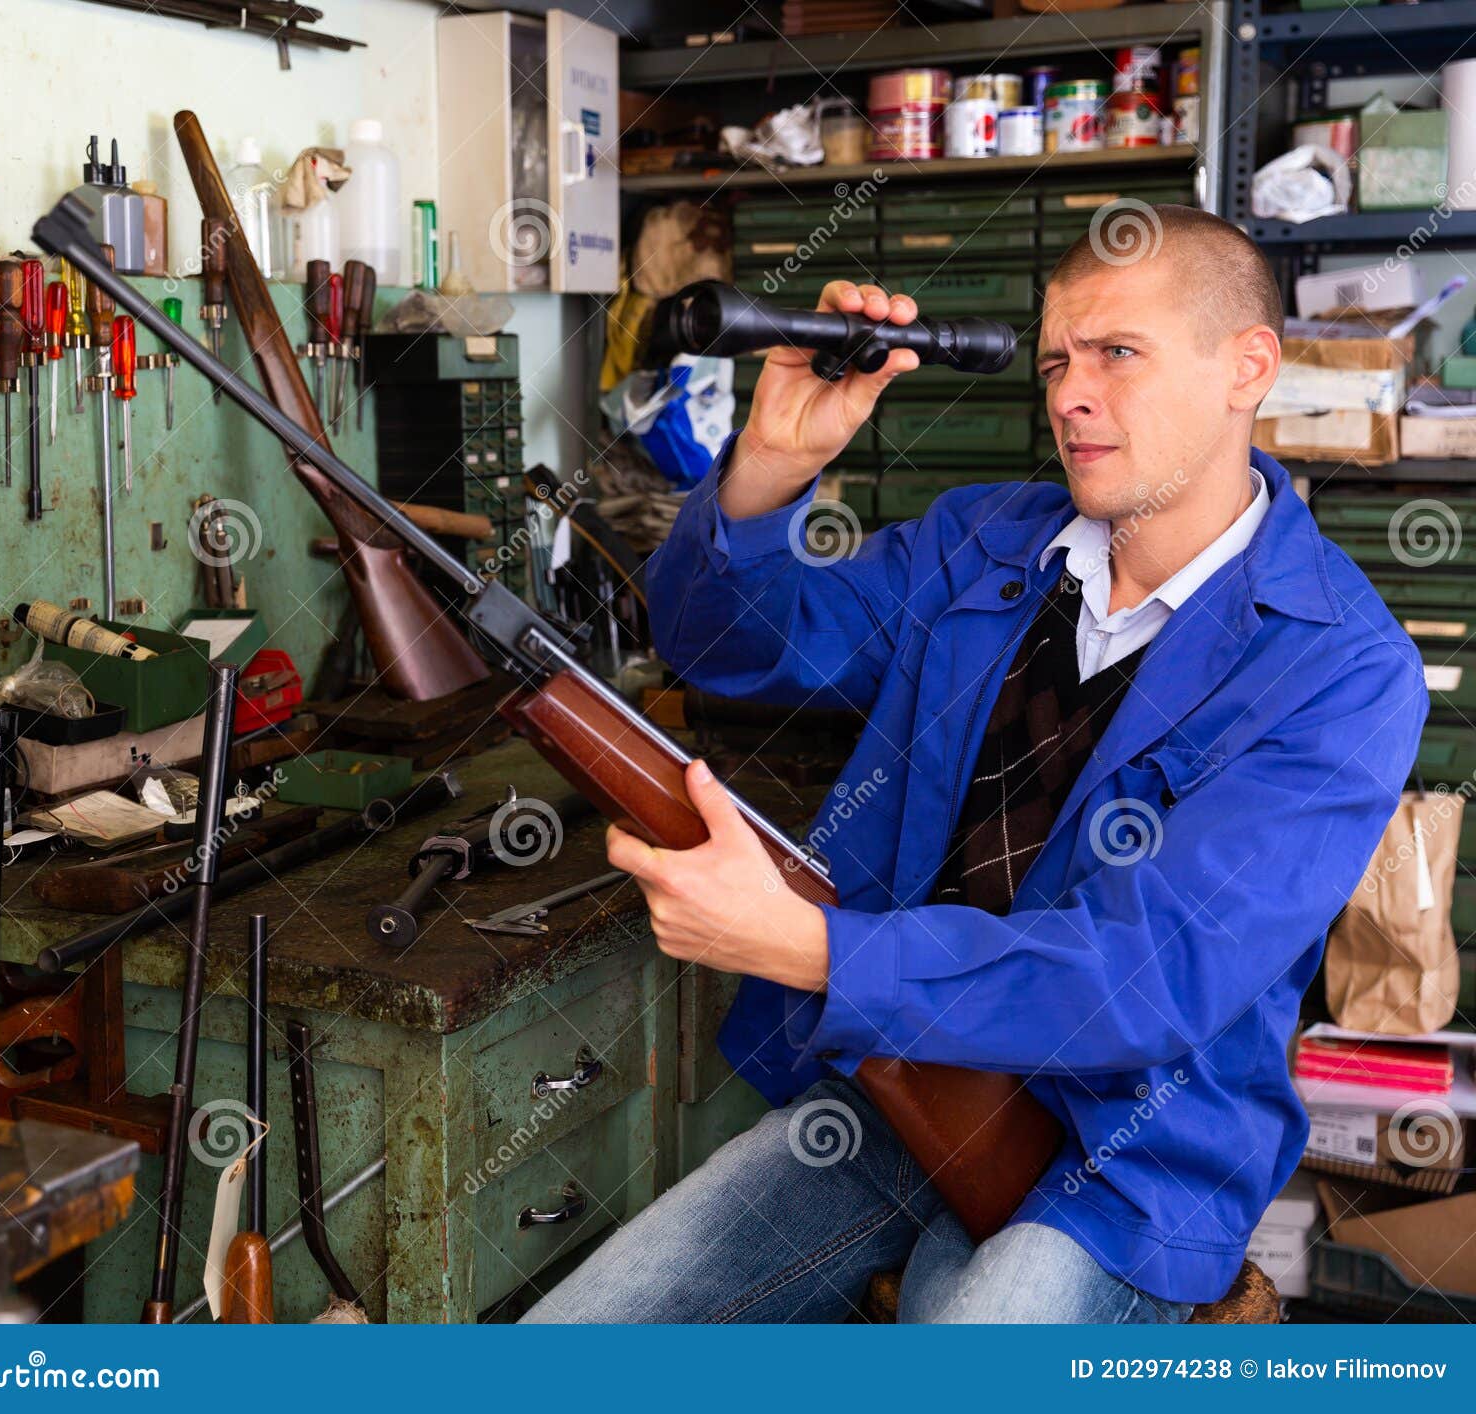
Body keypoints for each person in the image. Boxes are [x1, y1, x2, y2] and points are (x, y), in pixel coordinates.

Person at [520, 205, 1427, 1324]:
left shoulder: (1338, 665)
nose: (1069, 393)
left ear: (1248, 367)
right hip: (895, 1085)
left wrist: (814, 950)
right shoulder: (981, 543)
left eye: (1116, 355)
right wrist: (769, 466)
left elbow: (1144, 980)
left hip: (1126, 1152)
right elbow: (723, 643)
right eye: (1055, 359)